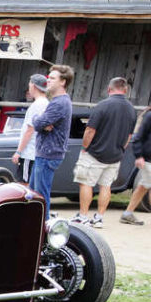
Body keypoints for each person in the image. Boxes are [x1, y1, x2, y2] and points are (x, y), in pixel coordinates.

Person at [71, 77, 136, 228]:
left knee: (85, 183)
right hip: (115, 155)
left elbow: (90, 130)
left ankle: (83, 216)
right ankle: (99, 217)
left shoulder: (102, 105)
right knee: (106, 186)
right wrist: (120, 149)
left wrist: (85, 148)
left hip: (94, 153)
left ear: (109, 89)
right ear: (125, 90)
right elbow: (129, 136)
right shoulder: (131, 109)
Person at [31, 65, 75, 220]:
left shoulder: (59, 103)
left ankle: (44, 228)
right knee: (33, 194)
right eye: (48, 78)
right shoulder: (57, 101)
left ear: (63, 82)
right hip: (45, 153)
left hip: (48, 154)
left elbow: (37, 123)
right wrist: (42, 122)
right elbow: (41, 123)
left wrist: (39, 121)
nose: (48, 81)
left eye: (52, 78)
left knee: (40, 196)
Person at [11, 74, 49, 181]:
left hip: (29, 152)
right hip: (37, 150)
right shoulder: (45, 103)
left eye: (29, 84)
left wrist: (19, 151)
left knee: (24, 183)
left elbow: (30, 130)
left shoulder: (37, 105)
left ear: (34, 86)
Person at [121, 109, 151, 225]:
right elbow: (138, 137)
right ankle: (127, 213)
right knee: (145, 185)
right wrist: (139, 156)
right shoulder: (149, 116)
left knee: (143, 186)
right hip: (148, 159)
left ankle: (127, 213)